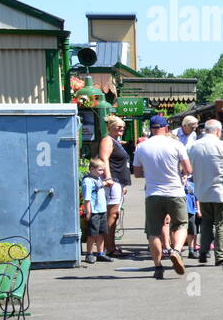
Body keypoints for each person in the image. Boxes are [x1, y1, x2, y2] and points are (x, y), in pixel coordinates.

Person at [131, 115, 192, 280]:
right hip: (175, 192)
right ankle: (177, 251)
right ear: (166, 128)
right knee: (180, 225)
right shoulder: (176, 144)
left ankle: (158, 267)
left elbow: (137, 174)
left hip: (153, 194)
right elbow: (188, 169)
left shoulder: (142, 147)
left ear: (151, 128)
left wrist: (151, 173)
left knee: (153, 232)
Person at [188, 119, 223, 266]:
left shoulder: (193, 147)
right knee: (222, 225)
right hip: (221, 192)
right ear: (218, 131)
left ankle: (203, 252)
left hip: (202, 192)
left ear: (205, 130)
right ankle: (221, 257)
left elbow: (188, 168)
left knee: (206, 223)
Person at [97, 115, 131, 258]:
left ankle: (110, 245)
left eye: (123, 127)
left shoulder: (116, 141)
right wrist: (108, 177)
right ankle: (109, 247)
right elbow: (104, 158)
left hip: (119, 182)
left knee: (115, 214)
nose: (122, 129)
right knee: (112, 213)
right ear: (110, 127)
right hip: (113, 181)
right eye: (119, 126)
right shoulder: (107, 140)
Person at [80, 159, 113, 265]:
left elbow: (100, 185)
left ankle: (100, 253)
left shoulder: (97, 178)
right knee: (92, 234)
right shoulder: (87, 181)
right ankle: (89, 254)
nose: (102, 172)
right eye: (99, 170)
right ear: (91, 169)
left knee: (101, 233)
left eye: (103, 170)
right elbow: (87, 198)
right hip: (94, 211)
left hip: (102, 210)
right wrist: (88, 212)